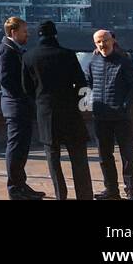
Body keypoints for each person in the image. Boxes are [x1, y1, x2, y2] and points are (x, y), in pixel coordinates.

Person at [22, 20, 93, 200]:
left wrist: (40, 103)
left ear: (38, 34)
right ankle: (84, 196)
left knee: (53, 161)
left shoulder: (29, 57)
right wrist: (76, 101)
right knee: (79, 160)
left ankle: (61, 195)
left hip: (46, 113)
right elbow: (82, 84)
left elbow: (26, 89)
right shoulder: (67, 55)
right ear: (55, 34)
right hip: (70, 112)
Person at [86, 29, 133, 200]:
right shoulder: (92, 62)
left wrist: (125, 105)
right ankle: (111, 190)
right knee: (104, 156)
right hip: (101, 116)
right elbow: (87, 84)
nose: (102, 44)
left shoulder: (124, 61)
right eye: (98, 42)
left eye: (105, 40)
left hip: (121, 117)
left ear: (112, 41)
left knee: (127, 155)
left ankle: (131, 191)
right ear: (95, 44)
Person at [0, 16, 44, 200]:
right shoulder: (5, 51)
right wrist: (26, 93)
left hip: (20, 105)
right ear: (13, 32)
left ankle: (21, 184)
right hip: (15, 106)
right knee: (16, 147)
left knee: (22, 147)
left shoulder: (13, 49)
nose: (28, 34)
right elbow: (6, 80)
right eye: (25, 31)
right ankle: (15, 188)